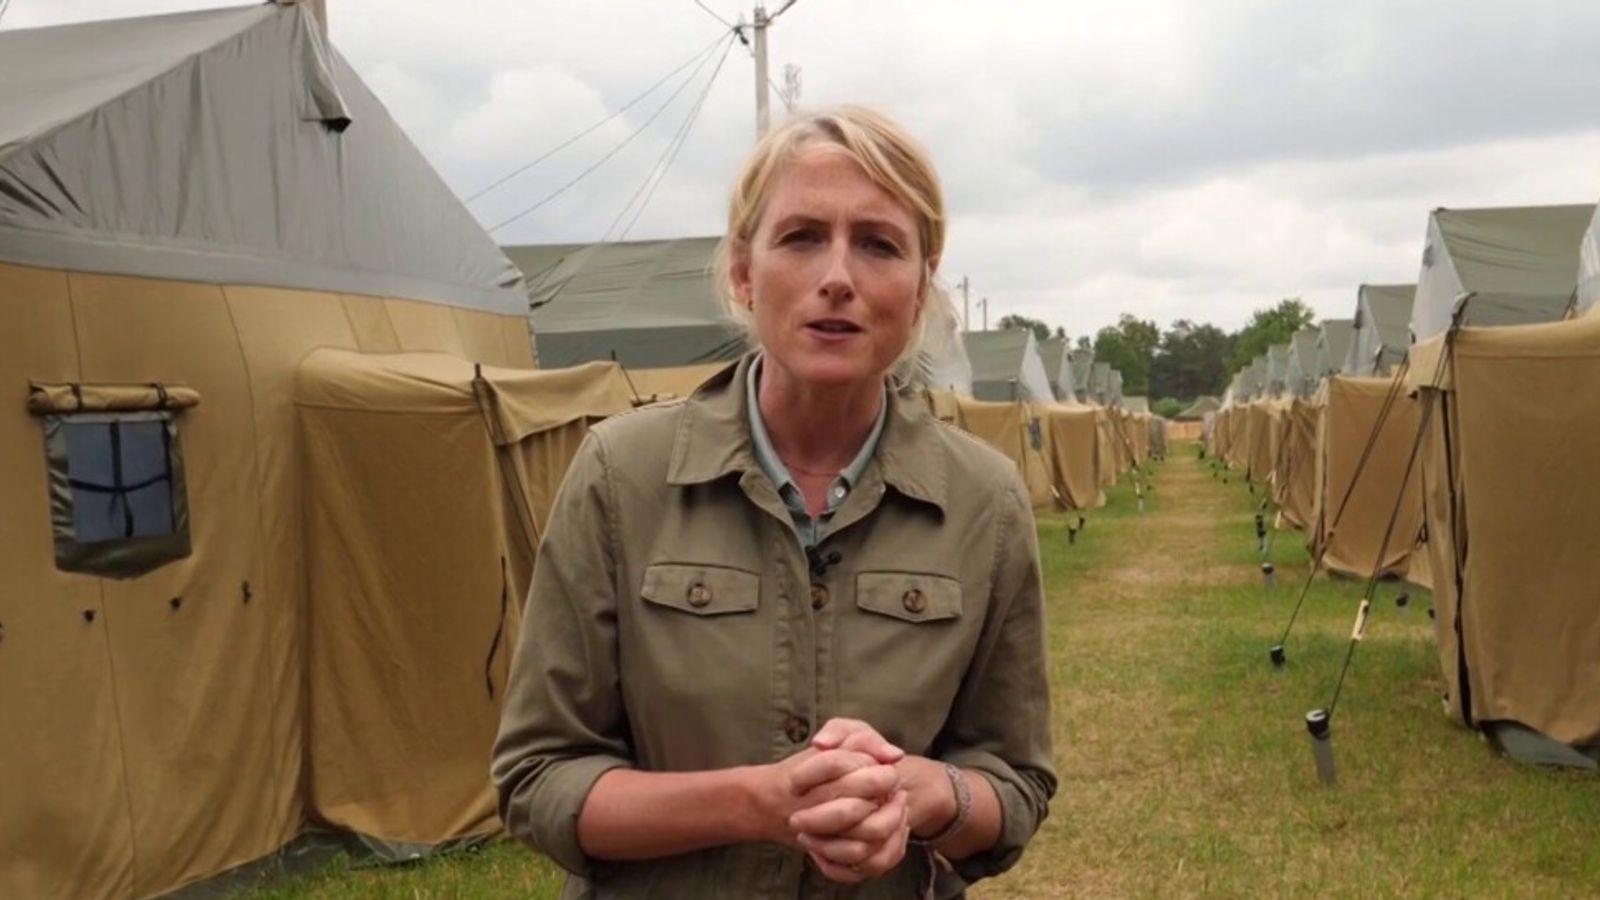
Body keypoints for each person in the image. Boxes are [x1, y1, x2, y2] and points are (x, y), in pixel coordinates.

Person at [492, 105, 1055, 900]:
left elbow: (1015, 783)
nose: (838, 277)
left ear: (921, 288)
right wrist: (759, 803)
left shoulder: (985, 503)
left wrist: (926, 795)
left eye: (879, 244)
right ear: (742, 272)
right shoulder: (621, 476)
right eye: (800, 237)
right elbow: (538, 775)